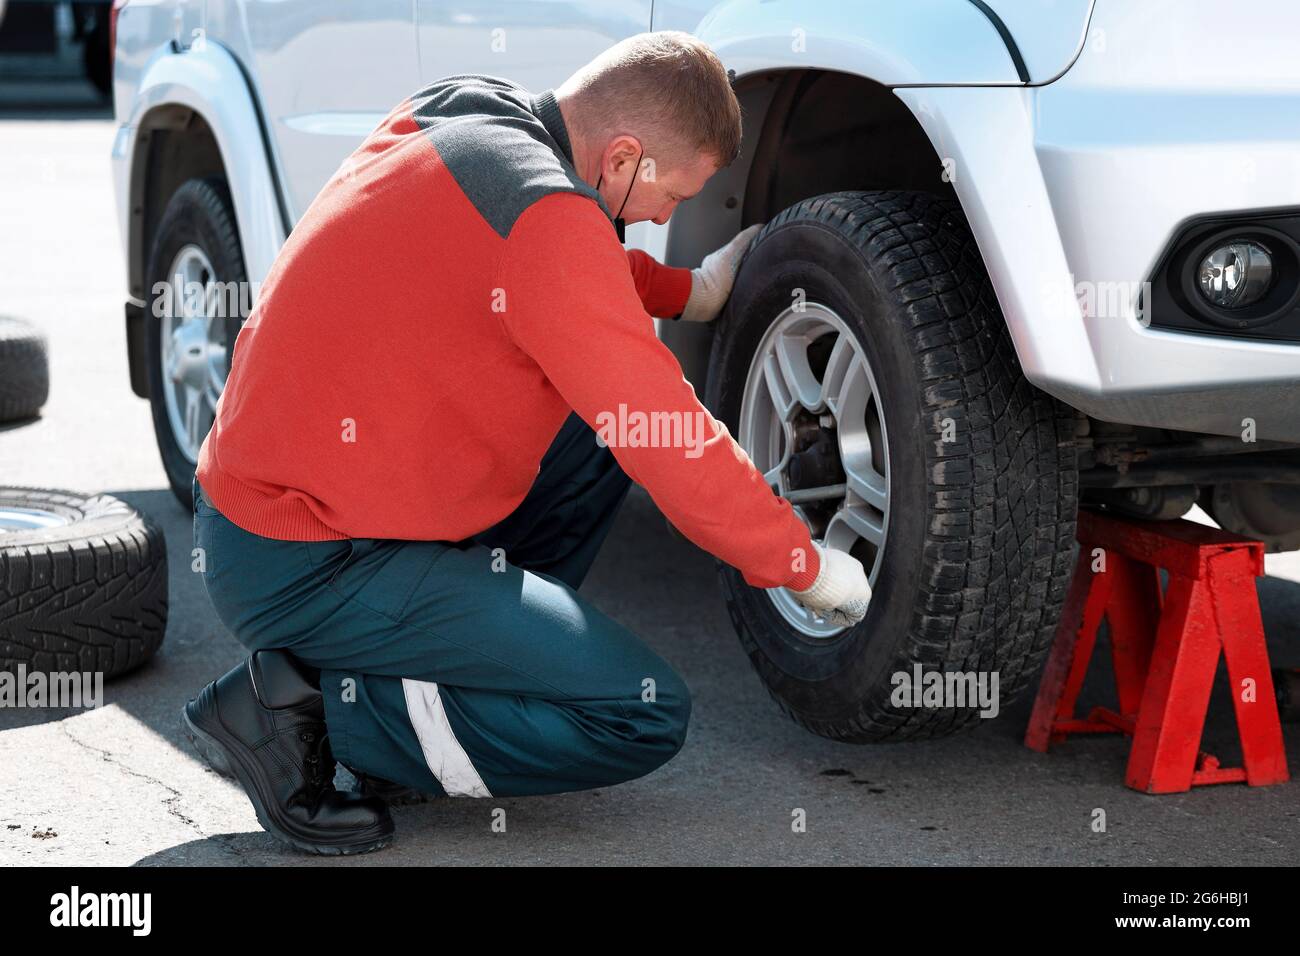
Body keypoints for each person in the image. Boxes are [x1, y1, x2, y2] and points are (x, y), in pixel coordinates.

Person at [183, 30, 871, 855]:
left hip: (268, 506)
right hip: (305, 560)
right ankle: (311, 712)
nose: (667, 217)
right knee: (642, 711)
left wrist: (689, 292)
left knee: (589, 442)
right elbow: (668, 435)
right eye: (672, 195)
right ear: (620, 158)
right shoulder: (551, 226)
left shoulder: (465, 111)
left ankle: (435, 672)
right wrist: (801, 564)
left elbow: (542, 261)